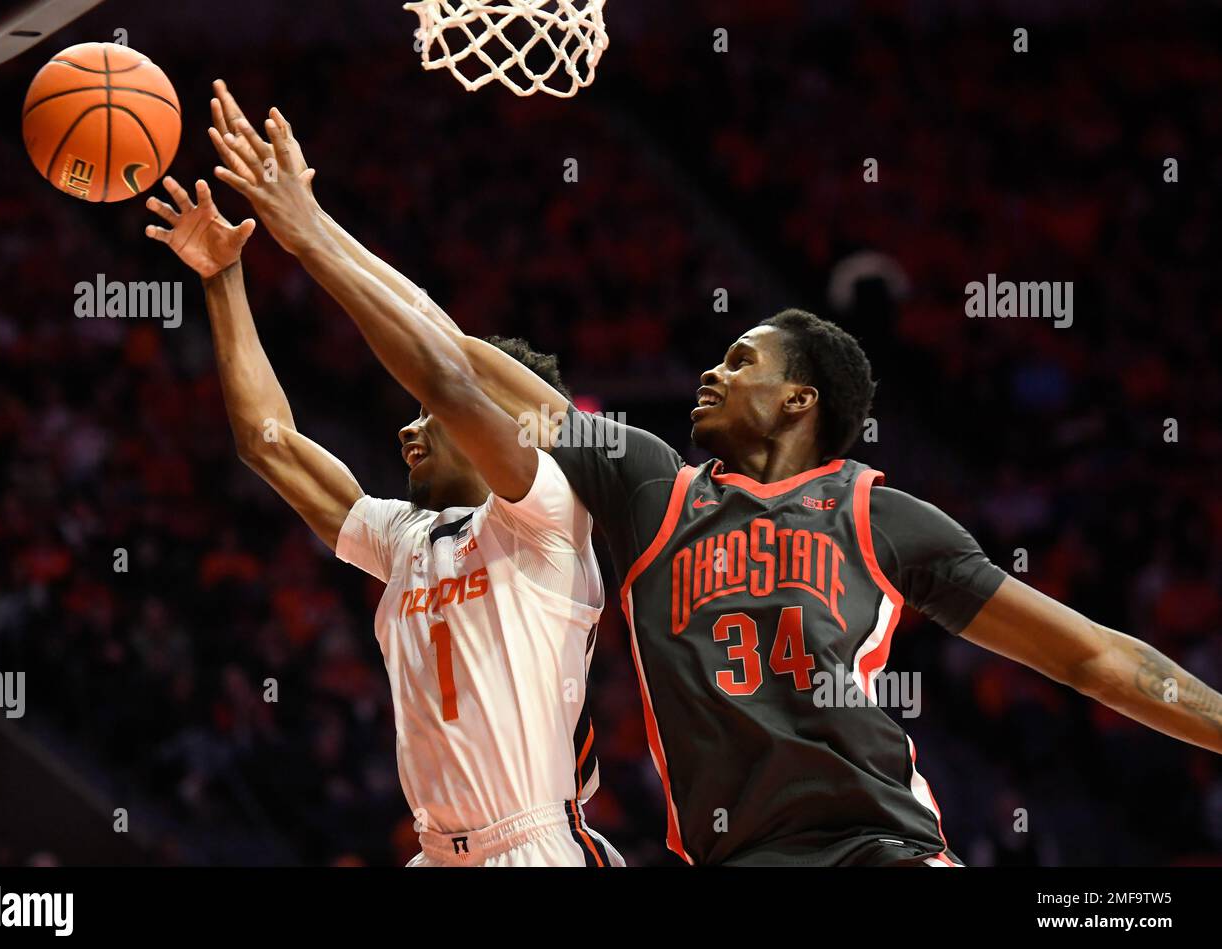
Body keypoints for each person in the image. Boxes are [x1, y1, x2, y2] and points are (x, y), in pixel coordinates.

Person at [205, 83, 1222, 867]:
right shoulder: (650, 484)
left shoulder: (881, 515)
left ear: (799, 402)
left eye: (742, 360)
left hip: (879, 848)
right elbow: (453, 358)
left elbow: (1092, 660)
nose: (711, 366)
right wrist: (305, 232)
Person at [143, 169, 621, 867]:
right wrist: (222, 278)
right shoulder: (406, 539)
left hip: (536, 844)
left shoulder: (546, 518)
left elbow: (449, 371)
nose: (407, 430)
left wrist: (311, 237)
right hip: (434, 852)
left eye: (431, 417)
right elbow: (268, 444)